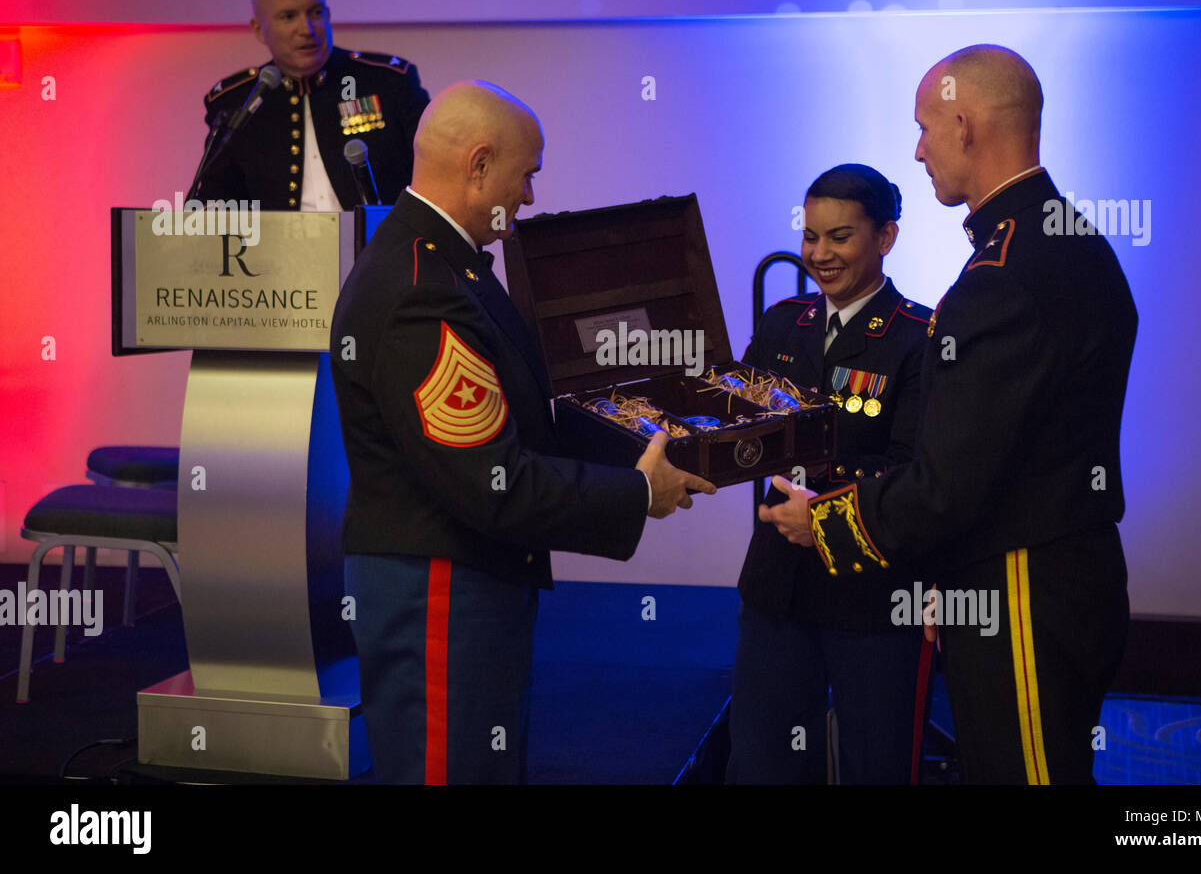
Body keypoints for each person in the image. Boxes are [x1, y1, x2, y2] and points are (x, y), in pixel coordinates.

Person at [760, 45, 1137, 784]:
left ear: (964, 125)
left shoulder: (1001, 276)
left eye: (926, 129)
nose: (919, 151)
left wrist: (827, 521)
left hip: (1022, 582)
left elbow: (948, 483)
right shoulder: (1063, 238)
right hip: (1053, 567)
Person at [330, 80, 715, 784]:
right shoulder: (424, 287)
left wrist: (647, 441)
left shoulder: (446, 264)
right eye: (527, 173)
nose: (533, 196)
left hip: (461, 576)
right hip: (440, 589)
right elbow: (491, 481)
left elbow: (525, 415)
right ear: (479, 165)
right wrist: (635, 493)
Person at [727, 164, 933, 784]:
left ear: (886, 238)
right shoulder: (783, 323)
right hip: (777, 587)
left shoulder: (921, 337)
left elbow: (913, 470)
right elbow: (741, 427)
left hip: (869, 593)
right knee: (763, 763)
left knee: (875, 763)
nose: (819, 254)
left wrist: (819, 509)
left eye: (839, 237)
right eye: (810, 236)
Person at [196, 0, 430, 209]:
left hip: (380, 245)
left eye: (316, 12)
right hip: (278, 247)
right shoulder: (238, 101)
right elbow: (214, 206)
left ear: (328, 15)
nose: (306, 28)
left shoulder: (386, 81)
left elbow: (437, 176)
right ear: (259, 30)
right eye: (288, 16)